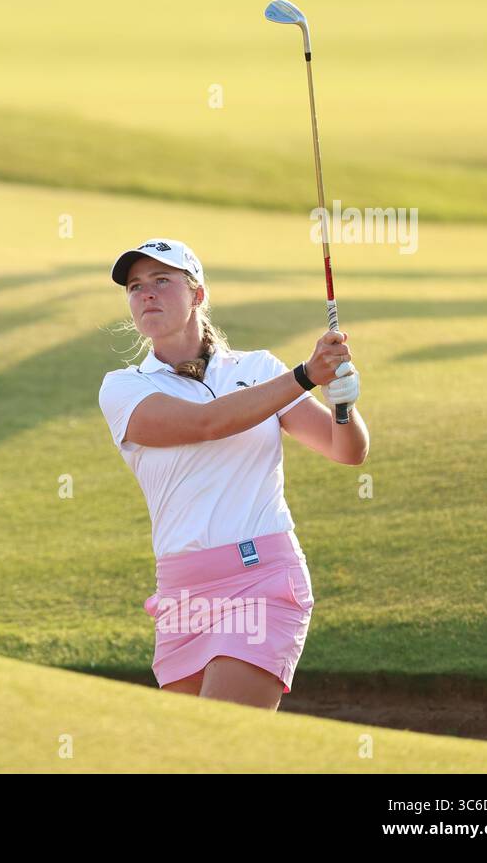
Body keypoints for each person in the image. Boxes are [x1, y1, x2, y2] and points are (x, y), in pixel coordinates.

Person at [98, 238, 369, 710]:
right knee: (192, 756)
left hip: (261, 580)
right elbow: (207, 423)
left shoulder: (258, 368)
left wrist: (343, 405)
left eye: (162, 281)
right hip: (181, 591)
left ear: (197, 295)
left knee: (220, 744)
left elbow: (346, 451)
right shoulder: (124, 387)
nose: (146, 294)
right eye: (136, 287)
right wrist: (305, 376)